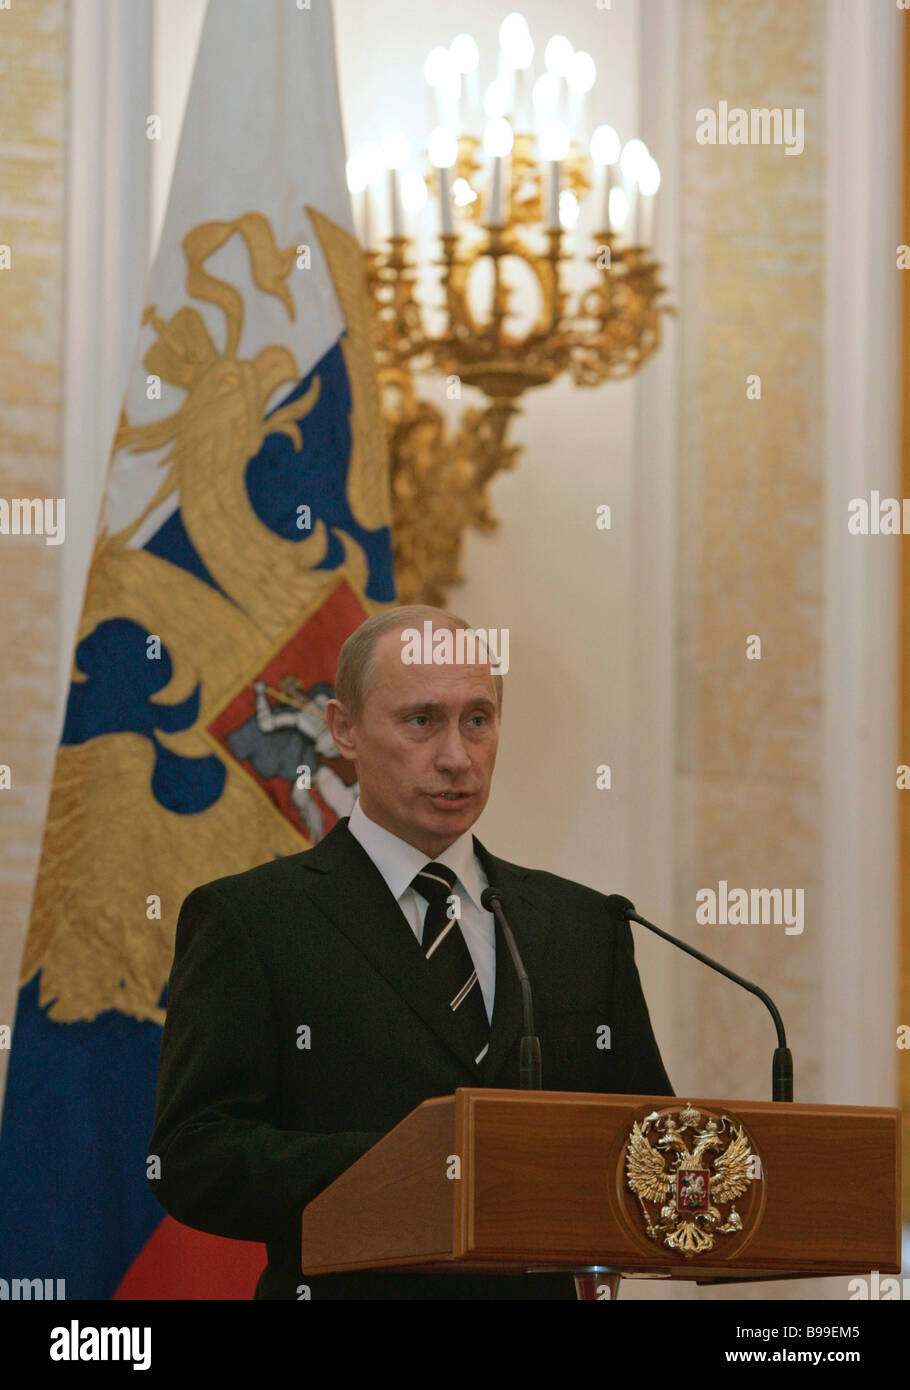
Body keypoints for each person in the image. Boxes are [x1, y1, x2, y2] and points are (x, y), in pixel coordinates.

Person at [148, 604, 673, 1299]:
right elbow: (193, 1156)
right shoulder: (252, 921)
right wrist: (413, 1168)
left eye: (477, 721)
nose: (456, 757)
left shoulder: (584, 925)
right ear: (343, 729)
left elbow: (652, 1147)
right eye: (422, 721)